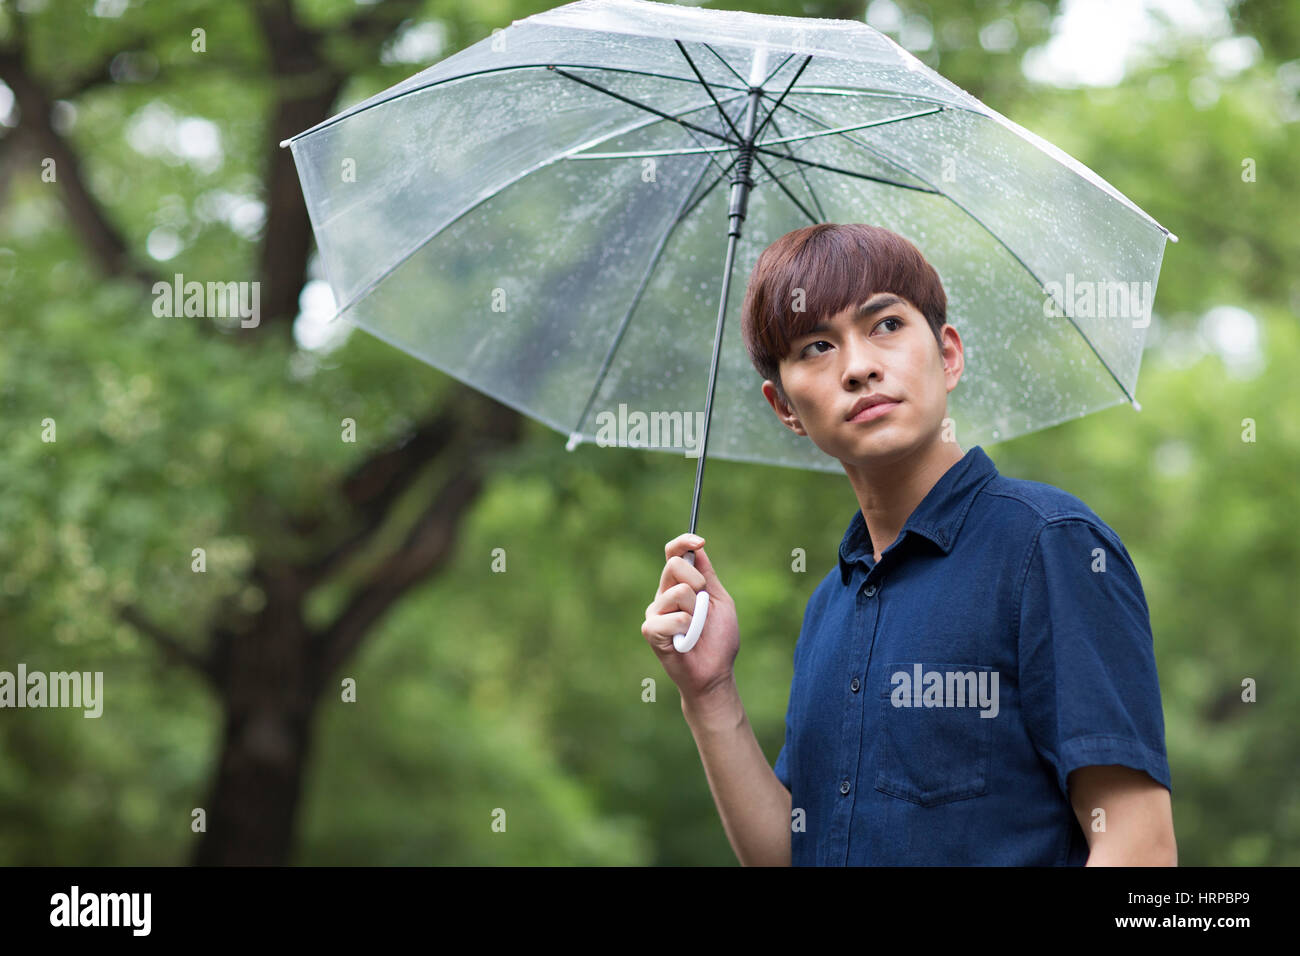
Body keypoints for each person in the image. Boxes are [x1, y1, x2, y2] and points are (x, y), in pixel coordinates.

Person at [640, 223, 1175, 866]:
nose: (860, 366)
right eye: (816, 345)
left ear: (948, 354)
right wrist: (708, 692)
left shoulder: (1050, 548)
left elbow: (1138, 846)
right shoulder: (829, 606)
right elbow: (792, 853)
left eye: (886, 325)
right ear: (784, 407)